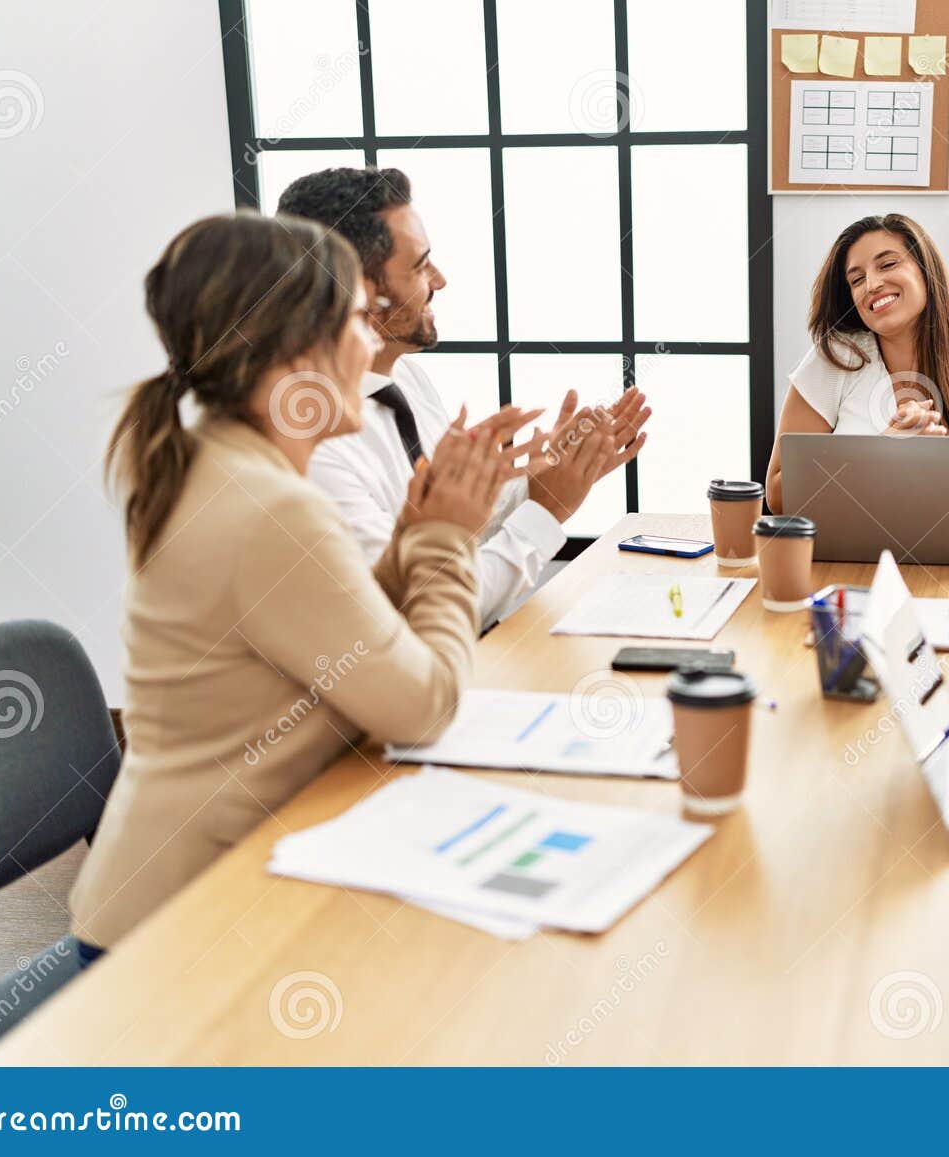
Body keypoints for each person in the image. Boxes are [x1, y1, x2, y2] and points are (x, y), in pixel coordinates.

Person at [71, 213, 556, 961]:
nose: (372, 344)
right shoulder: (271, 507)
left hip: (187, 890)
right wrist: (446, 539)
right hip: (182, 930)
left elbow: (343, 626)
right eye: (359, 320)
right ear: (296, 350)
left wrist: (413, 535)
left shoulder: (218, 460)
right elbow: (425, 706)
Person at [279, 167, 650, 630]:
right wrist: (547, 511)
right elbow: (424, 609)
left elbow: (453, 540)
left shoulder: (406, 379)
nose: (440, 280)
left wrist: (545, 479)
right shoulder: (311, 445)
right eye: (420, 266)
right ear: (358, 290)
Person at [766, 213, 949, 521]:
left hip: (947, 554)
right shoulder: (834, 361)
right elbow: (779, 495)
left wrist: (914, 477)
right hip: (847, 553)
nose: (871, 284)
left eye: (888, 264)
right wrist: (881, 457)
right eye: (856, 280)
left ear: (926, 271)